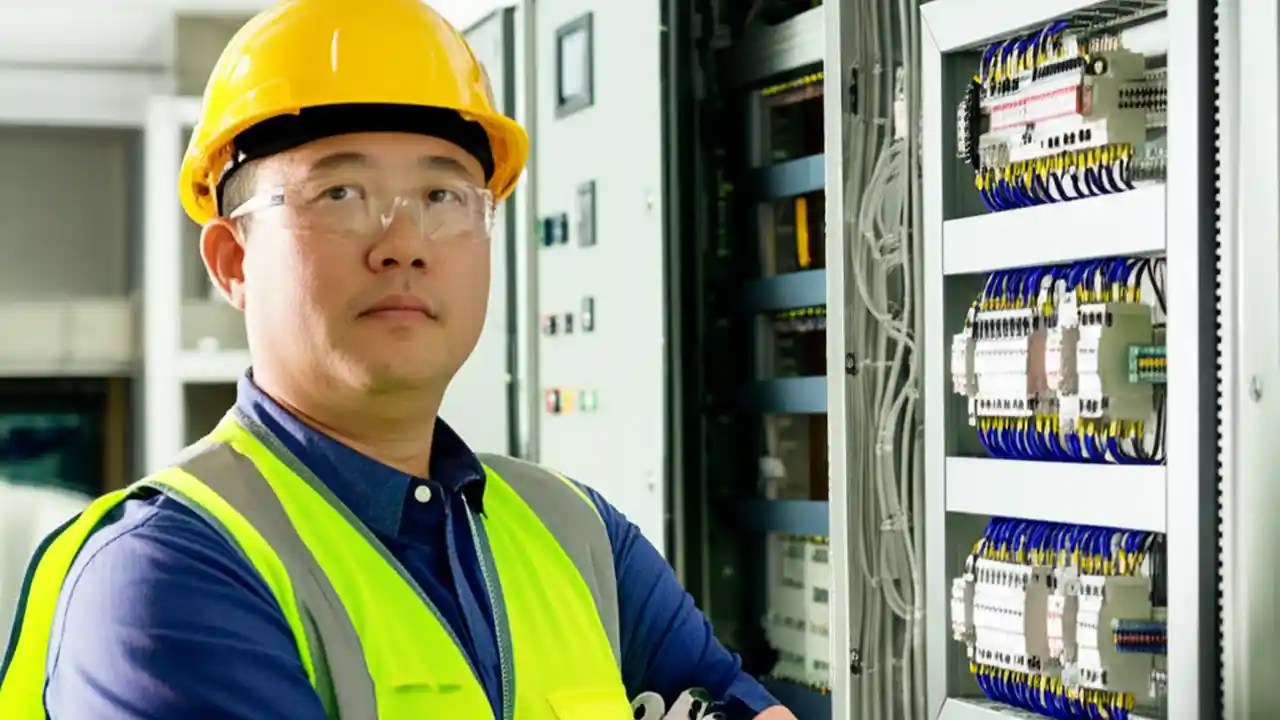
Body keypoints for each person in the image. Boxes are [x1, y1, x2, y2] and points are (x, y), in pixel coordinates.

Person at [0, 2, 798, 718]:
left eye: (444, 196)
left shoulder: (577, 533)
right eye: (339, 194)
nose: (404, 244)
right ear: (233, 262)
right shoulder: (163, 575)